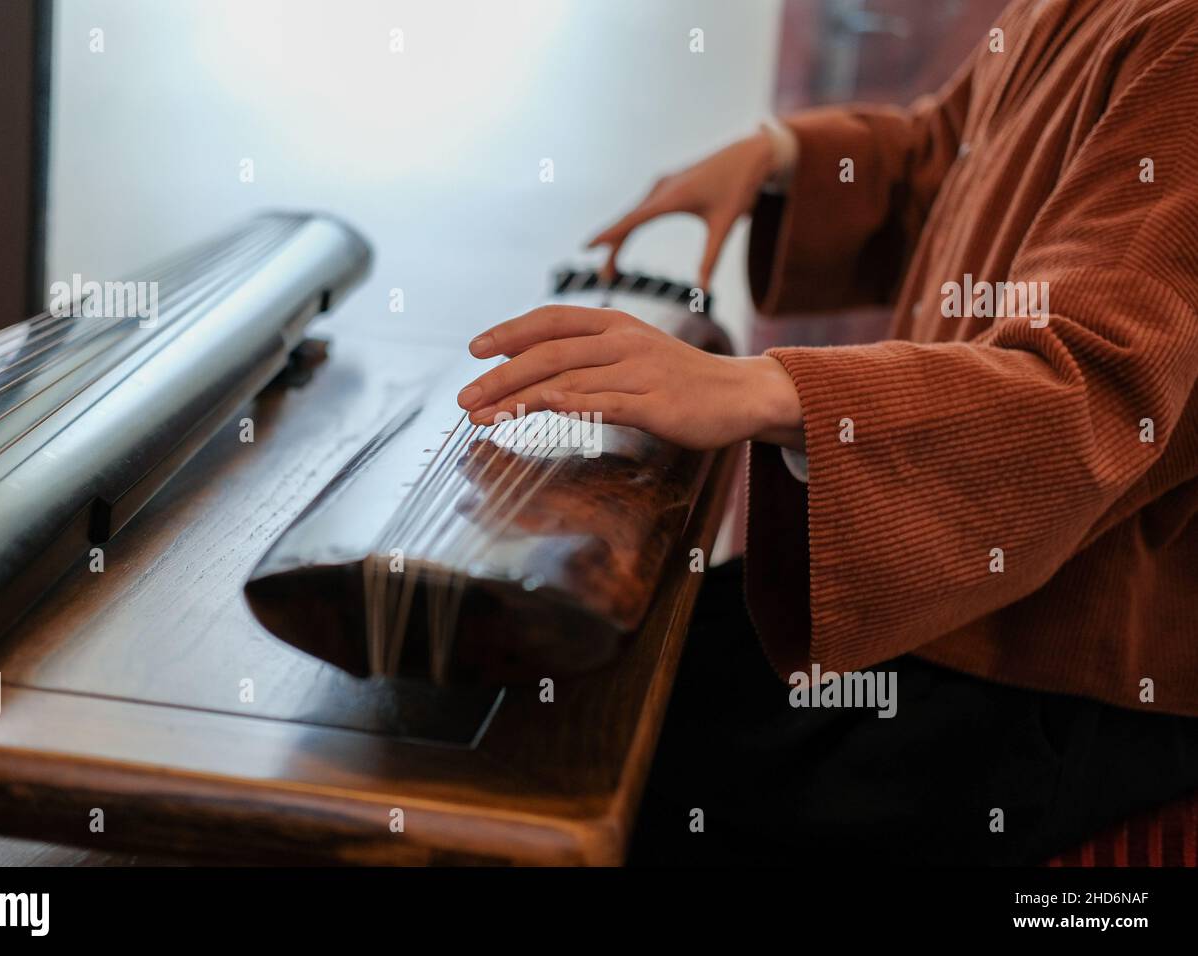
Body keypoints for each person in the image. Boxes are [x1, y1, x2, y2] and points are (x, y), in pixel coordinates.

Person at [457, 0, 1198, 864]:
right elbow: (944, 155)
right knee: (574, 678)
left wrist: (770, 391)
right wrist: (782, 157)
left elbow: (1093, 389)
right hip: (970, 602)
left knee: (581, 744)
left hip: (1057, 668)